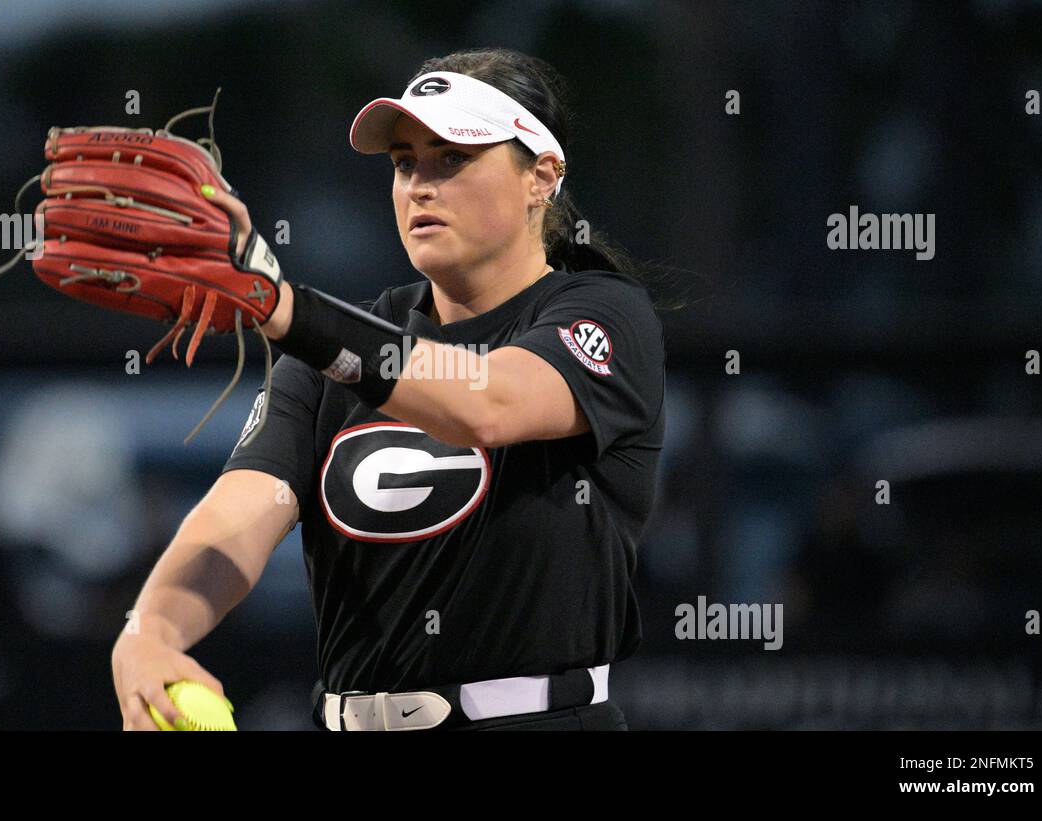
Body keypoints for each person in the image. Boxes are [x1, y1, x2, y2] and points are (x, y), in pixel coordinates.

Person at [112, 47, 666, 731]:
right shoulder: (331, 353)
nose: (419, 186)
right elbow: (239, 515)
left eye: (452, 158)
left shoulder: (604, 314)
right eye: (405, 162)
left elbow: (484, 403)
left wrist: (283, 309)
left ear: (541, 177)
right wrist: (151, 629)